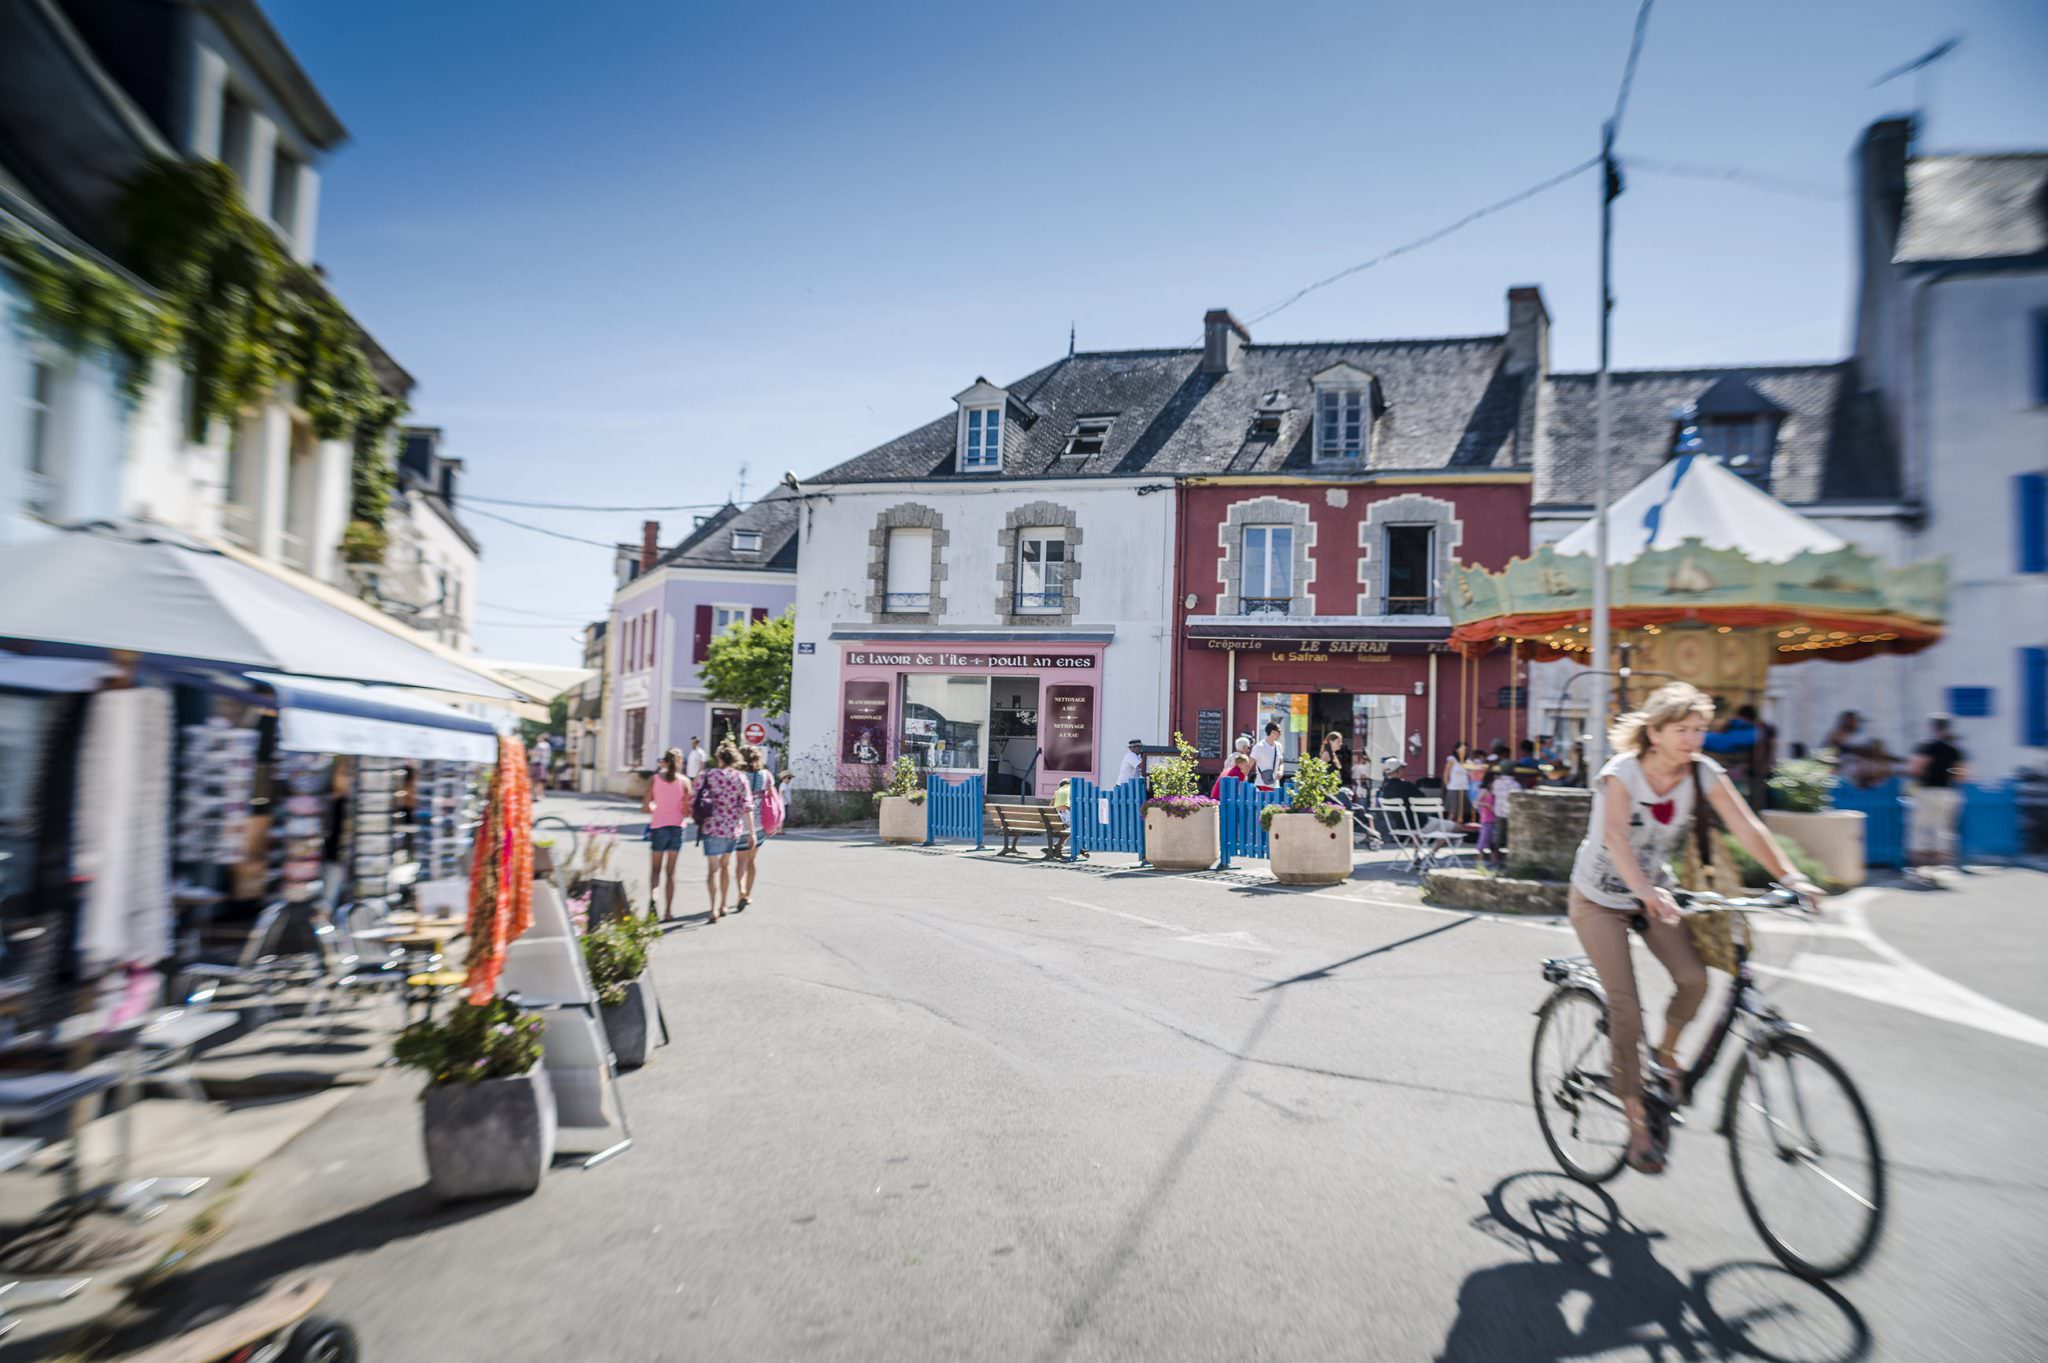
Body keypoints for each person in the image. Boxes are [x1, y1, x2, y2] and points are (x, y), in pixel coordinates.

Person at [1568, 682, 1821, 1175]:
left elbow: (1748, 827)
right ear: (1655, 733)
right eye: (1682, 729)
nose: (1693, 738)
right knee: (1625, 1008)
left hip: (1654, 894)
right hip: (1598, 899)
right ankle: (1637, 1125)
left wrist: (1791, 876)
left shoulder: (1703, 774)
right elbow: (1616, 838)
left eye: (1700, 729)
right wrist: (1644, 891)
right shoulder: (1621, 774)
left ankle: (1665, 1056)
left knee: (1695, 979)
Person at [697, 745, 756, 924]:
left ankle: (713, 908)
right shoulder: (741, 778)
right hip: (731, 829)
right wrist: (752, 832)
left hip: (711, 827)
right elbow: (747, 806)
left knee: (712, 869)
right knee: (725, 866)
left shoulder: (707, 775)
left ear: (719, 758)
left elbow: (694, 798)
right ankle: (723, 904)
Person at [1906, 715, 1966, 884]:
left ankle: (1919, 867)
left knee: (1920, 828)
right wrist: (1948, 773)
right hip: (1947, 792)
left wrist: (1925, 773)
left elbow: (1915, 769)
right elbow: (1963, 775)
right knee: (1943, 828)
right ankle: (1941, 866)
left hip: (1927, 791)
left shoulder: (1927, 747)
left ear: (1933, 728)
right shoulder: (1955, 750)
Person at [642, 748, 691, 920]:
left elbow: (645, 807)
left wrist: (656, 808)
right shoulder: (685, 782)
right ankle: (668, 911)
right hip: (676, 828)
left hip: (658, 827)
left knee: (655, 870)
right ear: (679, 763)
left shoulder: (655, 779)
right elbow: (687, 810)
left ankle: (654, 899)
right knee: (670, 873)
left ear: (665, 761)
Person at [734, 744, 774, 912]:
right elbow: (772, 797)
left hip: (740, 824)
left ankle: (741, 891)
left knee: (740, 861)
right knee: (751, 860)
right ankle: (748, 894)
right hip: (759, 825)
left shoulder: (738, 776)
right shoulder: (766, 775)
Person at [1474, 755, 1505, 870]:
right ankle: (1479, 862)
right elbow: (1476, 803)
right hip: (1487, 819)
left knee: (1493, 843)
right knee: (1483, 841)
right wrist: (1487, 805)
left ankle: (1495, 861)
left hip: (1494, 819)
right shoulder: (1485, 791)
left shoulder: (1494, 791)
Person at [1442, 741, 1472, 821]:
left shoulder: (1468, 761)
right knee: (1453, 811)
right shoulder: (1452, 759)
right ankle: (1448, 828)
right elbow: (1446, 774)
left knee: (1462, 812)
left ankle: (1459, 828)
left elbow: (1471, 774)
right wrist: (1447, 785)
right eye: (1462, 748)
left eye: (1465, 749)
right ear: (1456, 749)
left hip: (1465, 787)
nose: (1464, 750)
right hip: (1454, 787)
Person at [1250, 722, 1283, 788]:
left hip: (1275, 785)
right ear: (1272, 732)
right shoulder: (1259, 747)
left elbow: (1281, 762)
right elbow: (1250, 763)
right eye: (1279, 731)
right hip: (1261, 784)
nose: (1280, 734)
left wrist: (1281, 771)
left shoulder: (1279, 746)